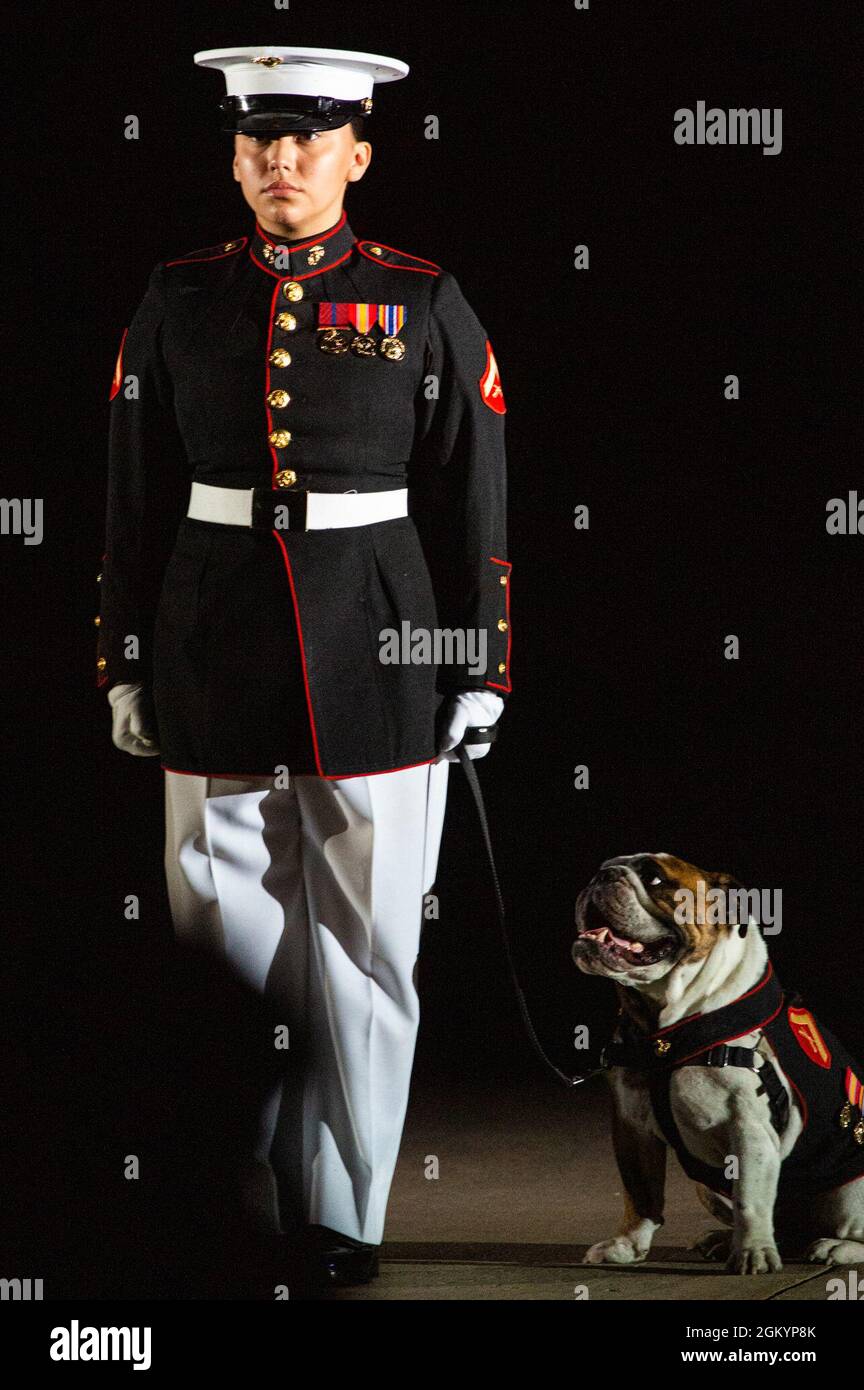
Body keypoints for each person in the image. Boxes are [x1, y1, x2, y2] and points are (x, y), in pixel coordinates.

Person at [96, 45, 511, 1291]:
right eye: (259, 141)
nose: (283, 161)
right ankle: (235, 1201)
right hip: (210, 634)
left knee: (366, 952)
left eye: (310, 139)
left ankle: (342, 1215)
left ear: (357, 154)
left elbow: (472, 492)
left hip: (378, 642)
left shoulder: (418, 297)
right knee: (220, 944)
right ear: (233, 155)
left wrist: (476, 664)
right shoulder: (175, 297)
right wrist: (122, 660)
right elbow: (130, 496)